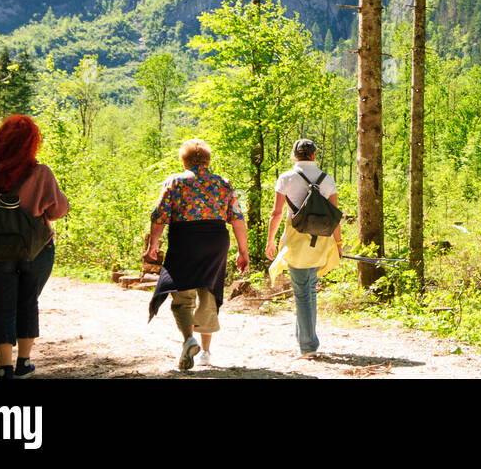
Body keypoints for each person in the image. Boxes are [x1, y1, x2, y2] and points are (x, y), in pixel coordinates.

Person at [0, 115, 70, 379]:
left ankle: (5, 368)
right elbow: (58, 211)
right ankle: (24, 363)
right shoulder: (41, 173)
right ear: (33, 143)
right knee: (28, 302)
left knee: (3, 306)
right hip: (37, 249)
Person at [144, 138, 249, 371]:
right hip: (216, 241)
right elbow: (238, 219)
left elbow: (159, 216)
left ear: (185, 160)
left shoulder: (175, 182)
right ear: (208, 160)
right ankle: (206, 352)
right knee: (209, 291)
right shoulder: (224, 183)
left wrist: (153, 244)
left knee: (182, 294)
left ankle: (188, 340)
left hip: (185, 241)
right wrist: (243, 251)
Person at [265, 138, 342, 357]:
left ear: (294, 155)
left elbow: (277, 213)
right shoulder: (327, 179)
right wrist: (338, 243)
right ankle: (304, 338)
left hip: (296, 241)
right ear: (314, 155)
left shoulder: (286, 177)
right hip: (320, 240)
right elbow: (335, 217)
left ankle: (308, 346)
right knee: (309, 290)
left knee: (302, 292)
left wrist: (271, 241)